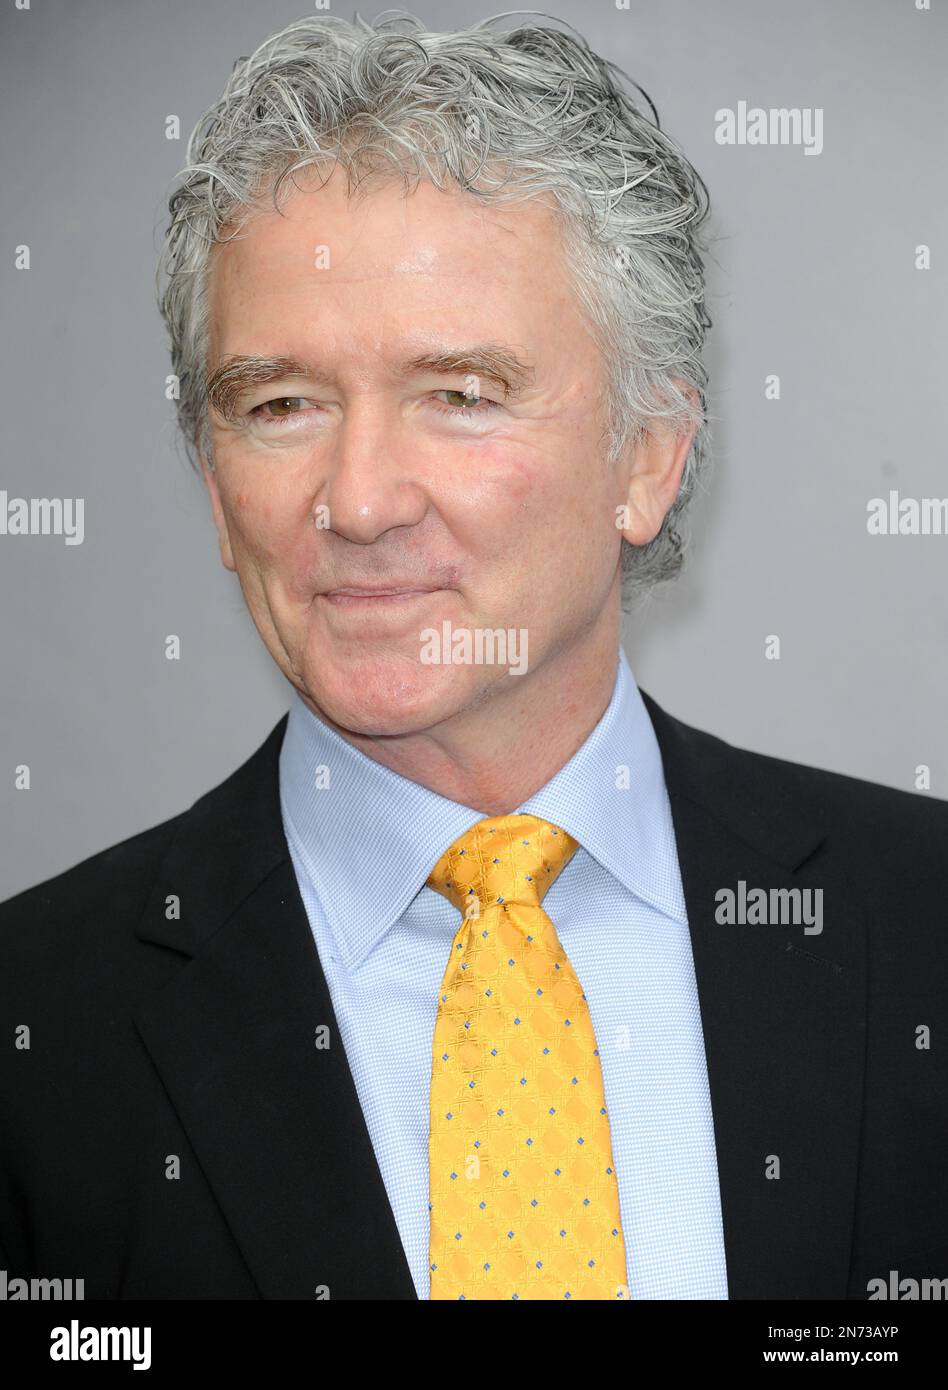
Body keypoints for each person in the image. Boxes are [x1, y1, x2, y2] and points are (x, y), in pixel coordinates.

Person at [1, 12, 945, 1302]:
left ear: (649, 455)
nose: (363, 498)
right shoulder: (37, 1030)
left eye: (459, 393)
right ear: (215, 494)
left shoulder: (923, 926)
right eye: (281, 405)